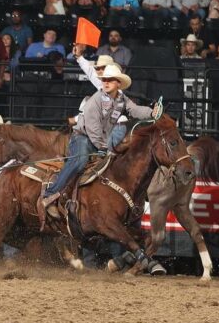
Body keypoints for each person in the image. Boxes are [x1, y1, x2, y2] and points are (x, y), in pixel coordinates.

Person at [41, 65, 155, 216]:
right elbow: (92, 129)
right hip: (82, 138)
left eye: (110, 80)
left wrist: (151, 112)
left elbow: (135, 110)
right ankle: (50, 194)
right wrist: (103, 147)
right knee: (80, 160)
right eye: (104, 80)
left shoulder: (122, 99)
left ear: (118, 83)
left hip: (100, 141)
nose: (106, 83)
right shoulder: (95, 101)